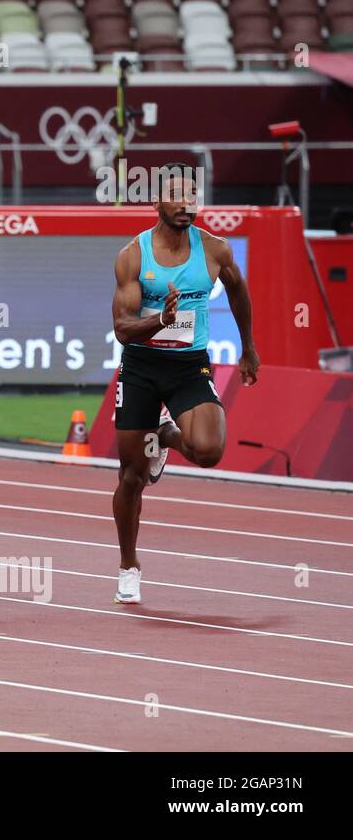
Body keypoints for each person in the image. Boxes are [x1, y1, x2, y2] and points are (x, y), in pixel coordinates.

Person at [109, 166, 258, 604]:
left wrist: (248, 347)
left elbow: (238, 292)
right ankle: (128, 566)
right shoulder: (133, 256)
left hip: (189, 365)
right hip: (140, 366)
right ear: (157, 204)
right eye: (176, 198)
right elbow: (122, 328)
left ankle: (167, 434)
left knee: (210, 450)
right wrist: (161, 320)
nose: (186, 206)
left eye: (192, 199)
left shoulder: (214, 251)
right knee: (132, 476)